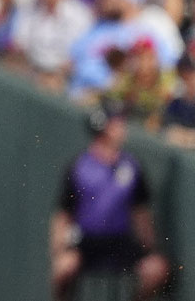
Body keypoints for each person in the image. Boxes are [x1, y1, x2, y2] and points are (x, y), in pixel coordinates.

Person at [51, 103, 169, 300]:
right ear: (103, 128)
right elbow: (63, 215)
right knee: (64, 267)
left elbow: (141, 214)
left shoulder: (132, 166)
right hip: (86, 242)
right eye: (117, 122)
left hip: (120, 241)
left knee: (155, 269)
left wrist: (150, 250)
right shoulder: (79, 167)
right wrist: (59, 251)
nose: (122, 127)